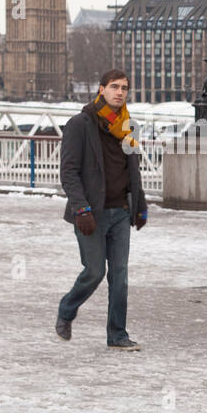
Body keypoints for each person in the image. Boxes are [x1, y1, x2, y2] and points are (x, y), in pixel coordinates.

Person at [56, 69, 149, 351]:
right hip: (91, 213)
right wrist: (81, 208)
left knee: (119, 275)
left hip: (120, 211)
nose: (120, 92)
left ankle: (117, 335)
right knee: (94, 271)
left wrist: (140, 205)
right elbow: (69, 172)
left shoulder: (129, 126)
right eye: (114, 87)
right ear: (101, 90)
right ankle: (67, 309)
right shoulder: (80, 124)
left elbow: (133, 170)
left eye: (124, 88)